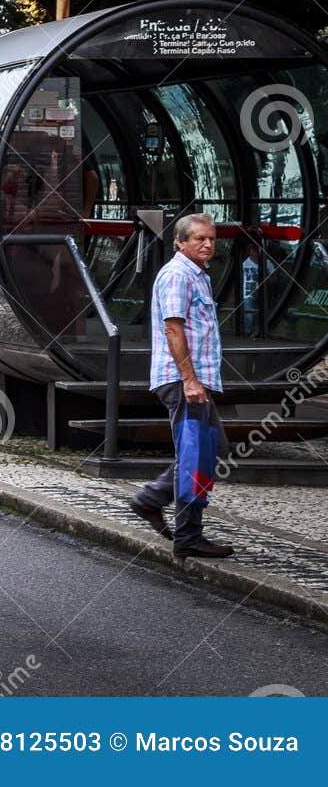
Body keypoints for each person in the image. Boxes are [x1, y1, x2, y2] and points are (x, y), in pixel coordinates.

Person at [129, 212, 236, 558]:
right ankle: (187, 535)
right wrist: (189, 380)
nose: (207, 244)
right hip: (182, 381)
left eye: (211, 239)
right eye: (199, 239)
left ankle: (153, 499)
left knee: (210, 450)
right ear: (180, 242)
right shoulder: (178, 275)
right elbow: (173, 329)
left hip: (194, 381)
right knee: (198, 456)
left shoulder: (197, 275)